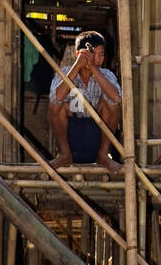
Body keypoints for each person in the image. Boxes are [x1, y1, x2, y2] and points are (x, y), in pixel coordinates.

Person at [49, 31, 121, 171]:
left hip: (97, 135)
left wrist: (94, 69)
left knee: (112, 104)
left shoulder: (106, 75)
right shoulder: (65, 73)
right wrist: (77, 66)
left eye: (101, 54)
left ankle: (103, 155)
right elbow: (55, 99)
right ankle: (64, 155)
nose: (98, 59)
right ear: (79, 54)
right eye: (93, 54)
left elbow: (116, 98)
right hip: (72, 136)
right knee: (56, 105)